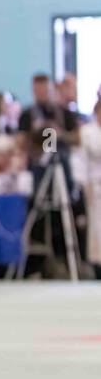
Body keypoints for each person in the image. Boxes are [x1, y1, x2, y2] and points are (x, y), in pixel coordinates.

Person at [81, 95, 101, 275]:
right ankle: (97, 266)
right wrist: (84, 183)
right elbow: (83, 161)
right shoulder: (87, 131)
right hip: (95, 186)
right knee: (96, 228)